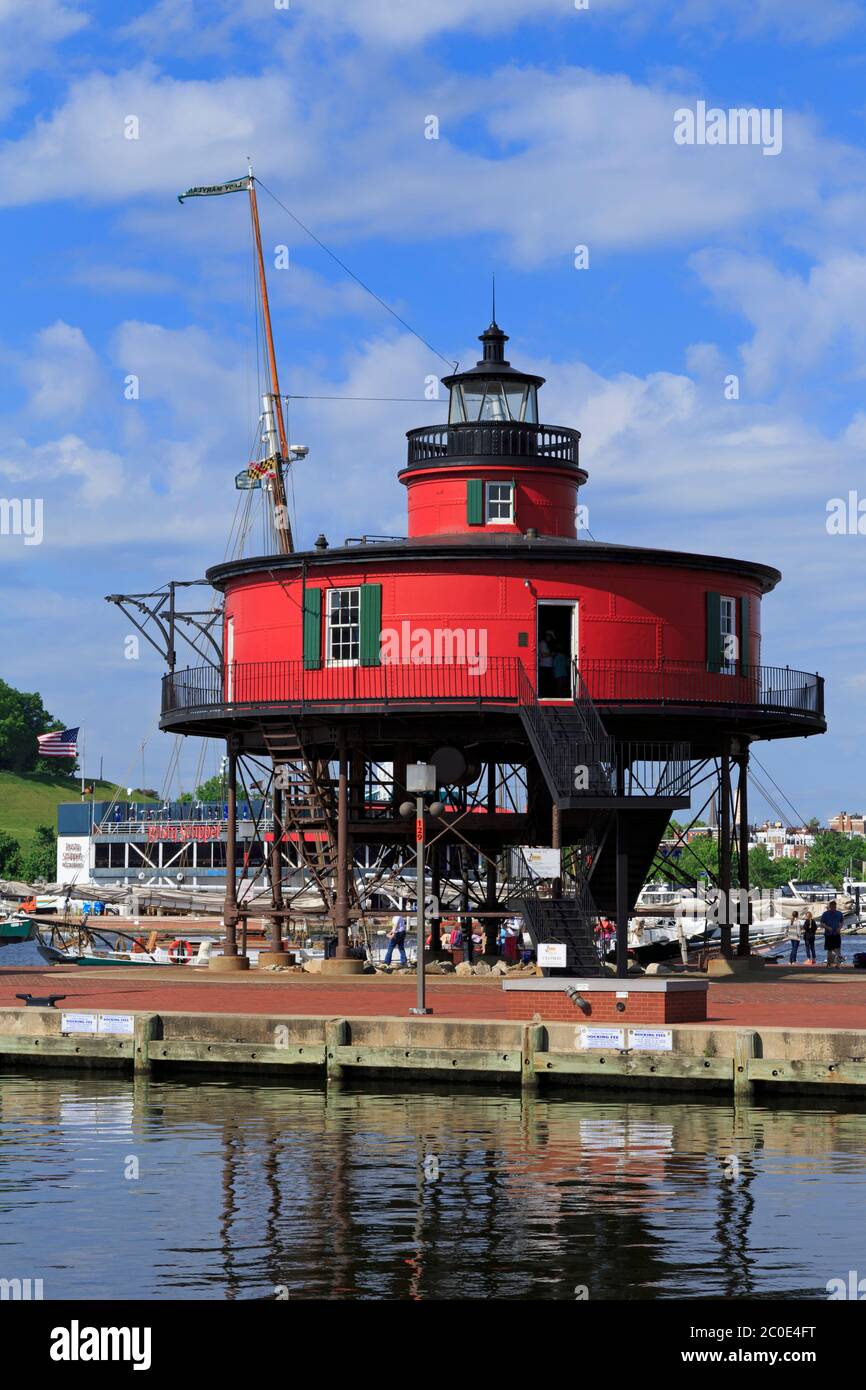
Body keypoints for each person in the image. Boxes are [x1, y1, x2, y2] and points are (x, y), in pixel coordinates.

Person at [820, 899, 844, 969]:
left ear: (836, 906)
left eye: (834, 906)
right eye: (832, 906)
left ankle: (838, 964)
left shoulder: (839, 913)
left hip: (836, 934)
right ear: (830, 906)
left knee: (838, 949)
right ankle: (829, 963)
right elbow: (822, 923)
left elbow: (842, 922)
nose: (833, 908)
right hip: (828, 934)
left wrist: (839, 928)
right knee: (829, 950)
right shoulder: (825, 914)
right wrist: (827, 927)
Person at [538, 629, 556, 697]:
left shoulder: (547, 644)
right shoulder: (543, 643)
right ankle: (544, 695)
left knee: (547, 681)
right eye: (550, 637)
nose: (550, 638)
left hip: (548, 665)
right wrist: (552, 654)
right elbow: (543, 655)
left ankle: (546, 694)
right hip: (544, 666)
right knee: (545, 681)